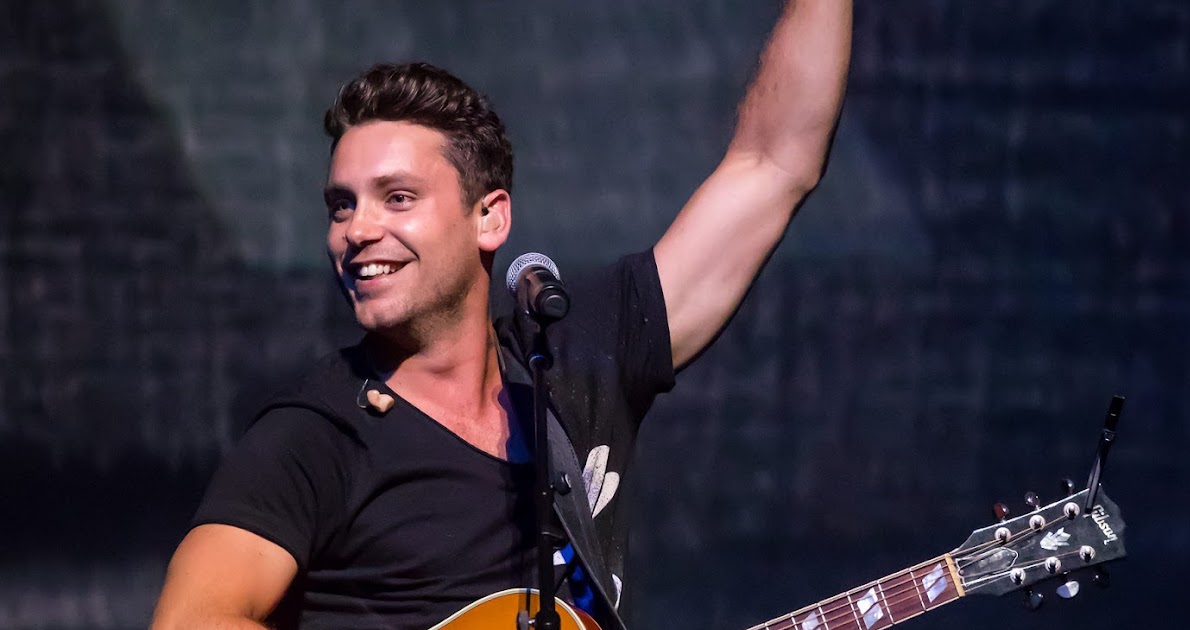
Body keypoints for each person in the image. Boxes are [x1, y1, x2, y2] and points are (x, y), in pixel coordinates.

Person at [150, 1, 852, 628]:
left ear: (490, 218)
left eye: (396, 198)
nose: (355, 229)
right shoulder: (316, 435)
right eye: (342, 204)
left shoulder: (576, 361)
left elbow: (773, 162)